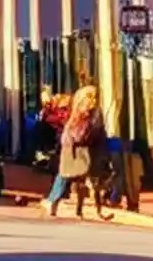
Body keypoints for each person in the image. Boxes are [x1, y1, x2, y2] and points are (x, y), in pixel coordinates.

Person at [45, 85, 110, 219]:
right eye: (91, 97)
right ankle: (54, 203)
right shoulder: (81, 114)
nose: (94, 100)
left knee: (88, 181)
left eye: (95, 97)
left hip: (86, 151)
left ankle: (88, 210)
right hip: (76, 151)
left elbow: (96, 134)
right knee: (69, 177)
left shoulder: (92, 114)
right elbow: (78, 134)